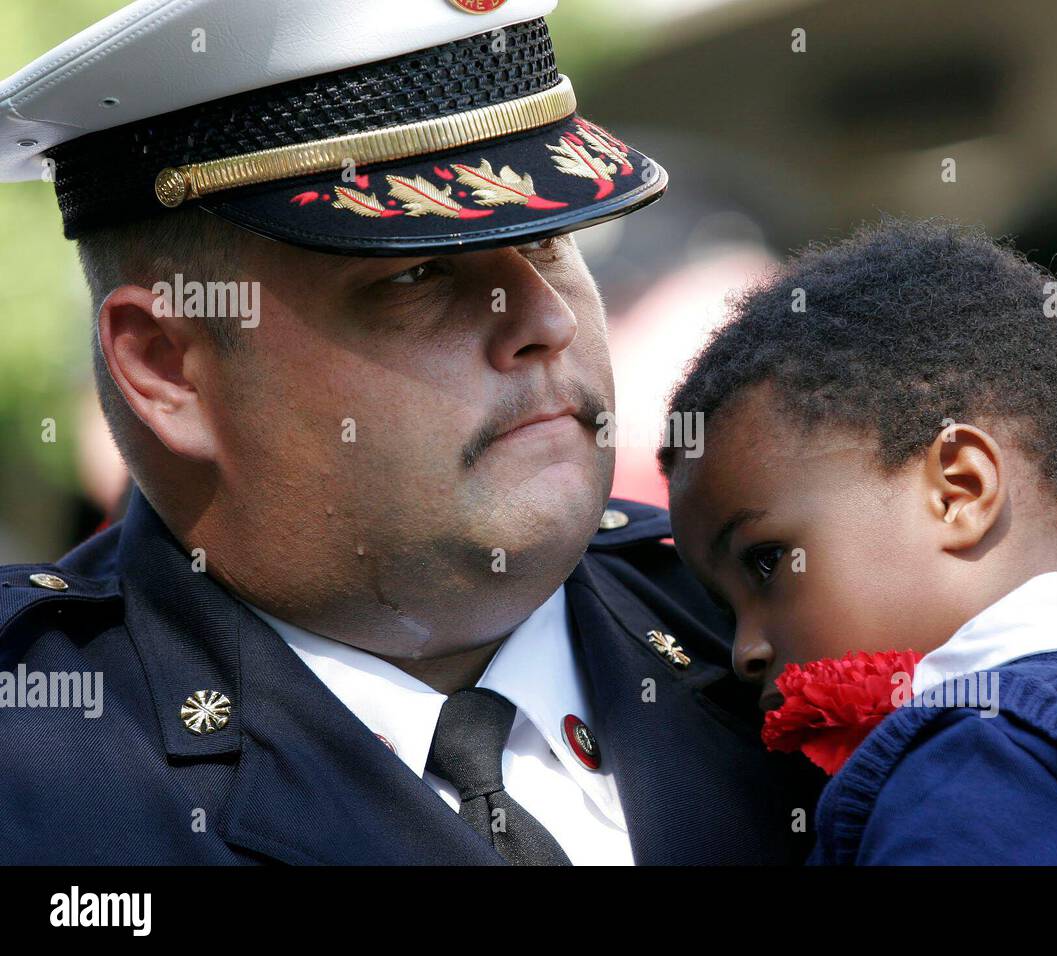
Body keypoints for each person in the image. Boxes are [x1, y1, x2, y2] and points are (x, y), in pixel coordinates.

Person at [0, 0, 819, 865]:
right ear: (168, 365)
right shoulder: (37, 765)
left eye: (549, 243)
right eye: (420, 273)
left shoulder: (787, 615)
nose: (545, 319)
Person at [659, 218, 1057, 865]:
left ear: (959, 491)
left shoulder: (980, 763)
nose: (744, 650)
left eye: (766, 562)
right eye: (725, 606)